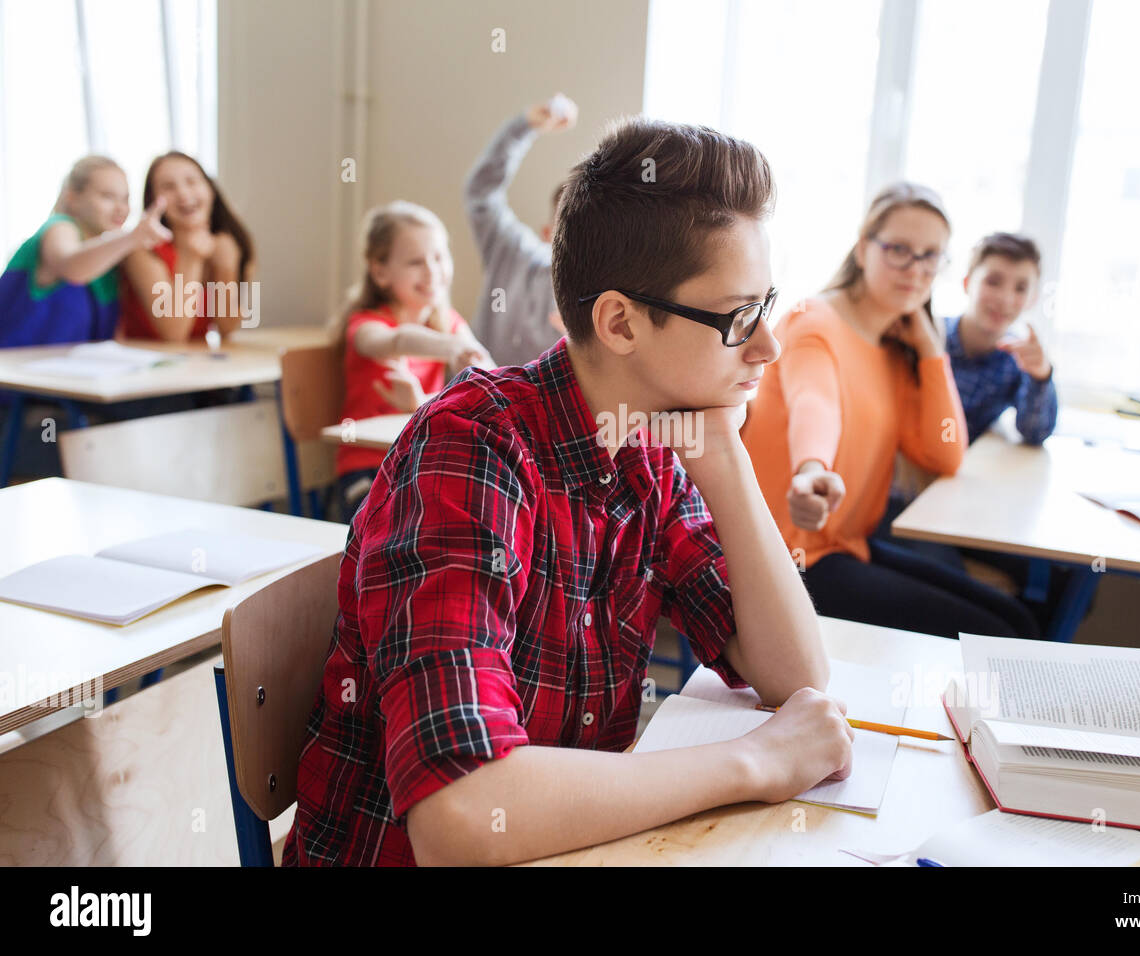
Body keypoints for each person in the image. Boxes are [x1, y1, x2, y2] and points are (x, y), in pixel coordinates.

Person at [284, 118, 852, 866]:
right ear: (619, 322)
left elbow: (795, 678)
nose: (768, 346)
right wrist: (755, 762)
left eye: (767, 306)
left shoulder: (650, 446)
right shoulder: (471, 450)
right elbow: (463, 813)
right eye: (737, 316)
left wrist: (724, 457)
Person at [743, 183, 1040, 640]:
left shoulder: (894, 347)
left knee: (1018, 620)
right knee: (1002, 637)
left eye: (930, 256)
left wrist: (930, 351)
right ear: (864, 249)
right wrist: (811, 469)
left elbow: (946, 455)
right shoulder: (814, 321)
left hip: (843, 547)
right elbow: (816, 402)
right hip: (784, 558)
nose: (915, 269)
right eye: (899, 249)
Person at [332, 201, 493, 524]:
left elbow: (489, 377)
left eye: (438, 257)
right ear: (380, 271)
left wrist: (421, 402)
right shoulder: (365, 325)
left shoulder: (447, 322)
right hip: (367, 470)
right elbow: (396, 340)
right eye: (416, 262)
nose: (432, 271)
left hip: (420, 463)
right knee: (412, 525)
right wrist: (454, 347)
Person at [0, 156, 168, 348]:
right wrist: (132, 238)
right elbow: (71, 266)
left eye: (125, 199)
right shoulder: (60, 227)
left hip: (65, 373)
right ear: (72, 198)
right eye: (107, 196)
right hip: (13, 372)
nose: (121, 208)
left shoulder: (107, 260)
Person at [463, 93, 575, 367]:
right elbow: (481, 193)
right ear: (548, 233)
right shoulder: (512, 252)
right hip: (472, 397)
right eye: (569, 226)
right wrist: (523, 127)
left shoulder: (599, 301)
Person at [118, 151, 256, 342]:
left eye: (192, 181)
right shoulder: (142, 251)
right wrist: (191, 258)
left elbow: (227, 328)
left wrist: (226, 269)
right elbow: (174, 334)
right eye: (168, 187)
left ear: (210, 189)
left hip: (197, 363)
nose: (183, 193)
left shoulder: (232, 243)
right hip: (147, 363)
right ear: (153, 199)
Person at [946, 232, 1056, 444]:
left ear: (1032, 299)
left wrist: (1041, 376)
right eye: (993, 282)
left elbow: (1036, 433)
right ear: (967, 283)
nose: (1005, 299)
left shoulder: (1016, 361)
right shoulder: (930, 335)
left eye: (1020, 288)